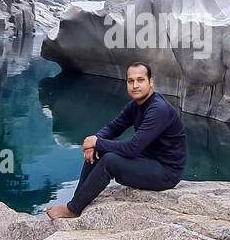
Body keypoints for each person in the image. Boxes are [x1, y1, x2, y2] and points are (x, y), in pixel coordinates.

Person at [46, 61, 185, 218]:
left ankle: (73, 208)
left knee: (109, 160)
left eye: (140, 80)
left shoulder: (158, 109)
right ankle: (77, 201)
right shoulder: (136, 105)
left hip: (166, 172)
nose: (135, 85)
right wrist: (95, 142)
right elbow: (114, 127)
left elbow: (133, 148)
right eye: (131, 81)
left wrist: (97, 142)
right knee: (99, 150)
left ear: (150, 83)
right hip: (149, 159)